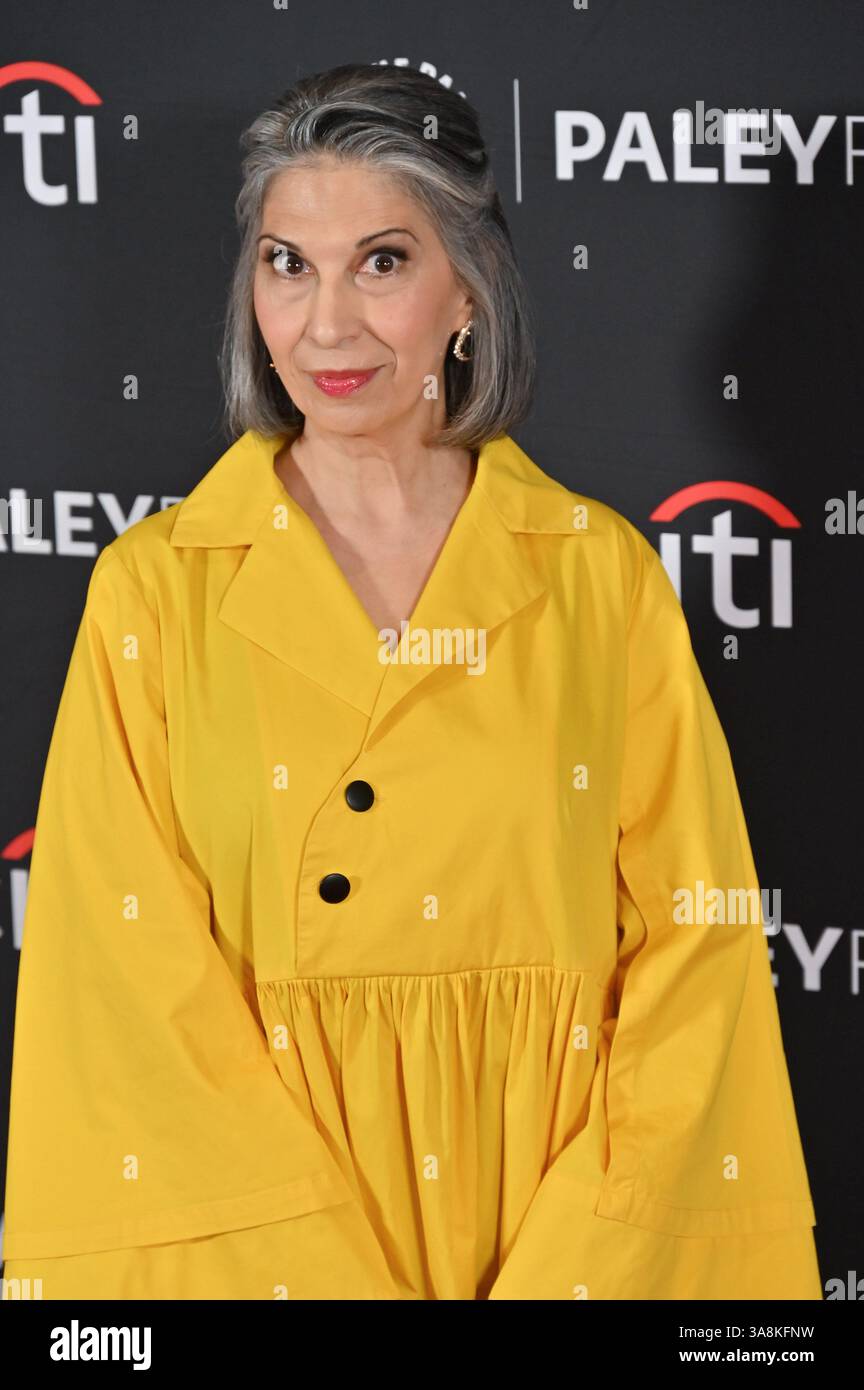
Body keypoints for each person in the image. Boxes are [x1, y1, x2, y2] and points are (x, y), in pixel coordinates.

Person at [2, 62, 820, 1301]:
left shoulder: (603, 583)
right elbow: (120, 1002)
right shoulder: (154, 596)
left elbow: (695, 966)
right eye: (288, 264)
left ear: (467, 291)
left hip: (551, 1234)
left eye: (380, 262)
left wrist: (575, 1276)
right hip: (267, 1239)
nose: (325, 325)